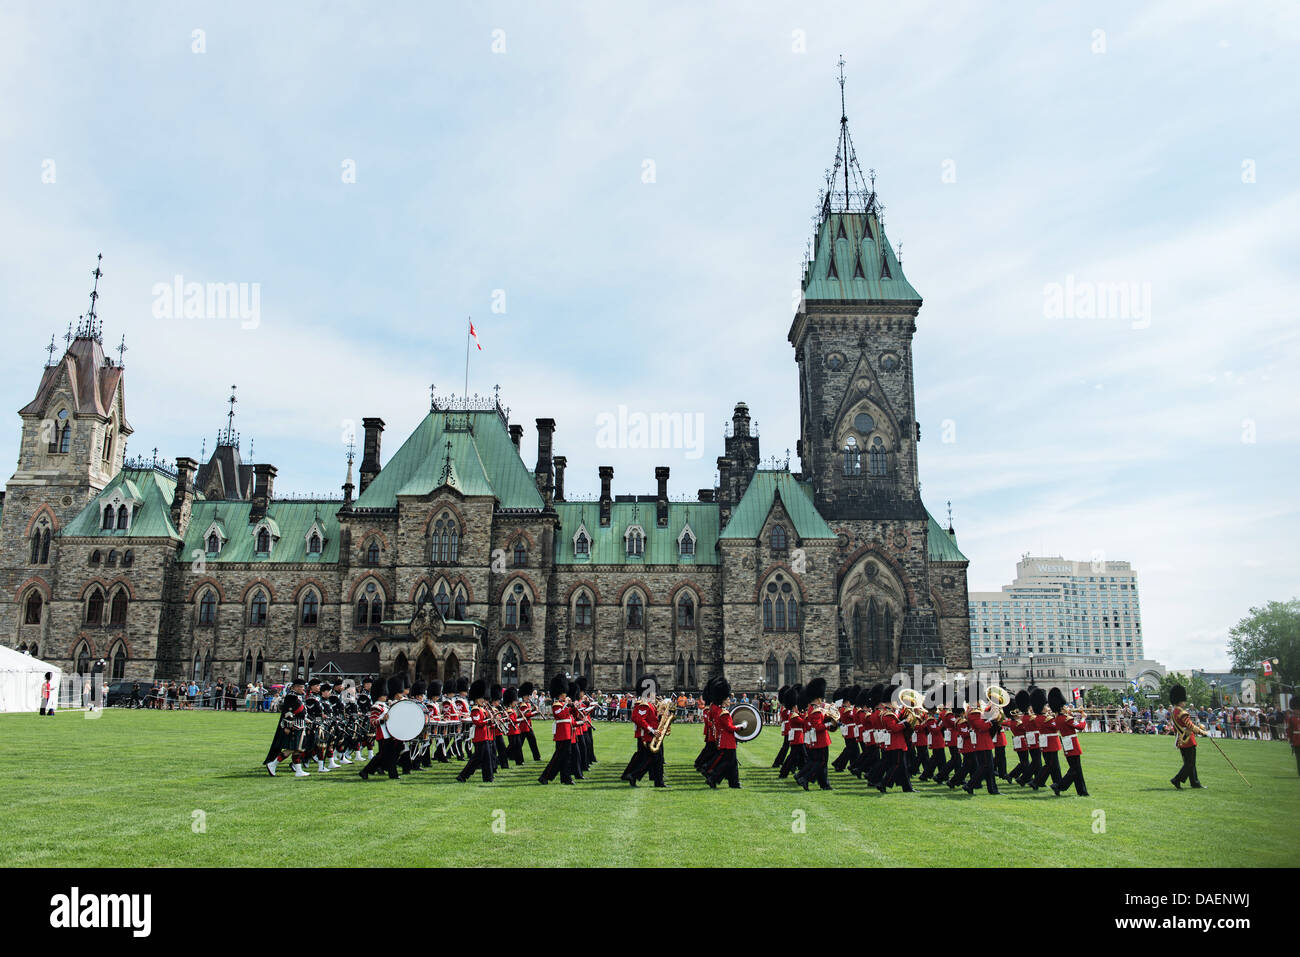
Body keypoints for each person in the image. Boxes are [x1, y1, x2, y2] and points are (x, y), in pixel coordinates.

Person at [795, 677, 833, 791]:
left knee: (818, 762)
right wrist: (828, 724)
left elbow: (820, 720)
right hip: (821, 740)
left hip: (817, 740)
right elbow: (818, 726)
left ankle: (823, 784)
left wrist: (828, 716)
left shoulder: (812, 708)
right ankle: (805, 778)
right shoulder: (815, 710)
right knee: (821, 763)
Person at [1168, 683, 1207, 790]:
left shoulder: (1174, 711)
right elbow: (1190, 725)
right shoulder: (1182, 712)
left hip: (1181, 740)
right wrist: (1202, 732)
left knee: (1189, 763)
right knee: (1190, 763)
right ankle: (1177, 779)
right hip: (1188, 740)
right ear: (1181, 699)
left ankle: (1195, 782)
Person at [704, 678, 741, 789]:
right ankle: (712, 777)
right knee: (727, 762)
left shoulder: (720, 710)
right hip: (727, 740)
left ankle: (734, 782)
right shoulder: (724, 713)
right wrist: (740, 727)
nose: (729, 700)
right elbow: (729, 727)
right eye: (728, 699)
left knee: (732, 763)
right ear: (723, 700)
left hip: (725, 739)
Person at [538, 673, 575, 785]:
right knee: (558, 757)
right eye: (564, 693)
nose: (565, 695)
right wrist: (566, 706)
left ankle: (565, 777)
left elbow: (571, 715)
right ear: (560, 693)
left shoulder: (563, 704)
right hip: (561, 733)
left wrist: (573, 706)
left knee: (566, 757)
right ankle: (545, 776)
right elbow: (560, 715)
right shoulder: (556, 704)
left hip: (568, 732)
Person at [1288, 696, 1300, 777]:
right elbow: (1290, 730)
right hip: (1296, 741)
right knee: (1298, 759)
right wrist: (1291, 741)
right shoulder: (1292, 718)